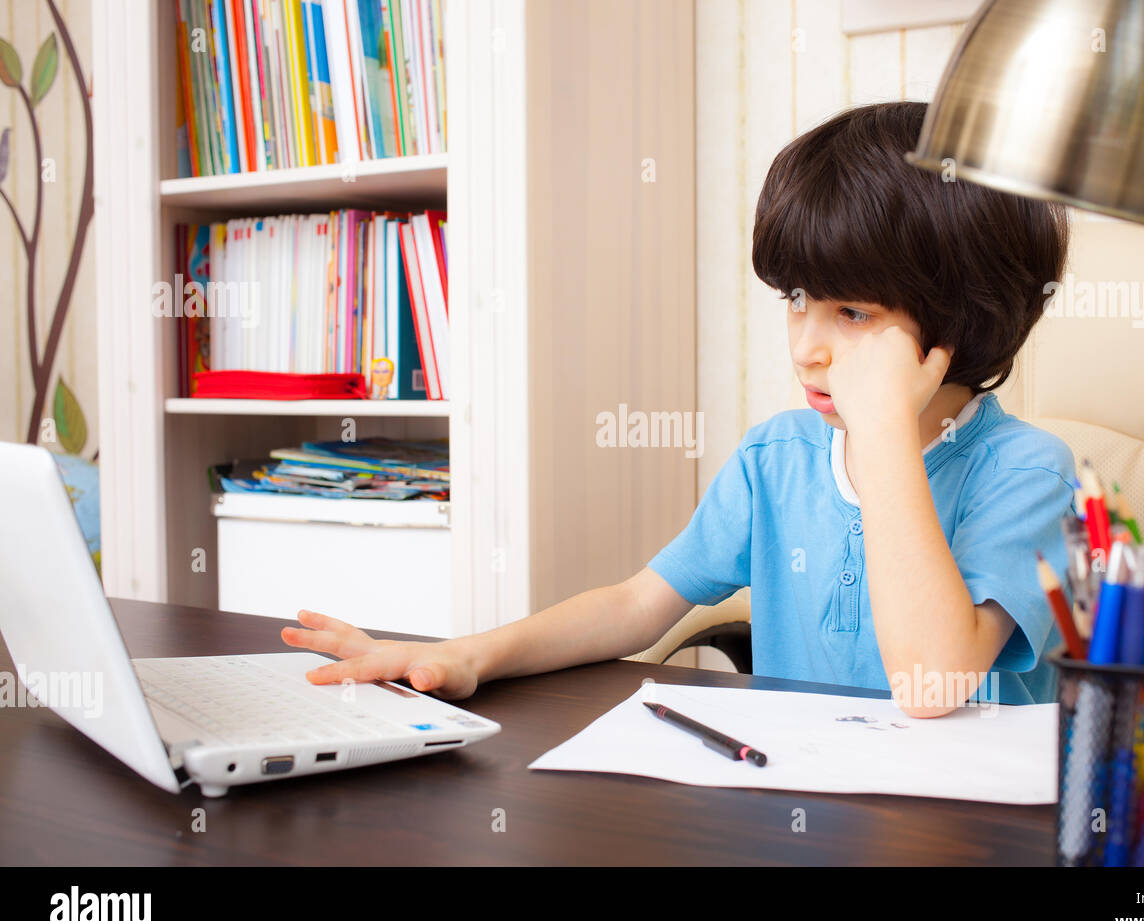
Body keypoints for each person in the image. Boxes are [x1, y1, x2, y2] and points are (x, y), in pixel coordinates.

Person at [282, 101, 1077, 717]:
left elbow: (931, 683)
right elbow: (635, 605)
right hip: (798, 807)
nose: (805, 347)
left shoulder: (1028, 474)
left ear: (956, 323)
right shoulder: (777, 458)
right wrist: (470, 656)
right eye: (798, 300)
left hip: (956, 828)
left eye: (854, 315)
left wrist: (885, 441)